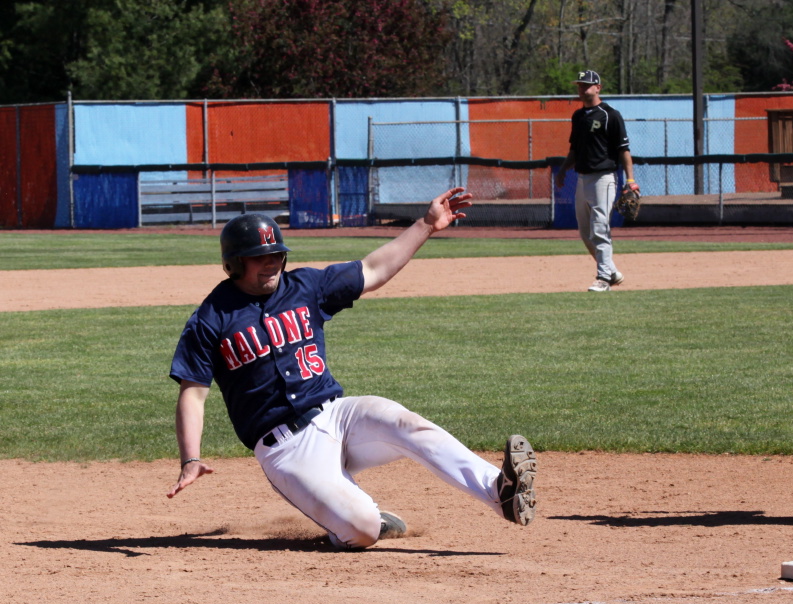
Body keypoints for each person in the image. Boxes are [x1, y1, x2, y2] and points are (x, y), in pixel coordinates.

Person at [167, 188, 538, 549]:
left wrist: (425, 224)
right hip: (286, 449)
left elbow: (373, 269)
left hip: (339, 416)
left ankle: (498, 490)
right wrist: (191, 459)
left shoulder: (305, 286)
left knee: (405, 423)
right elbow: (193, 394)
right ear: (234, 262)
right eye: (259, 256)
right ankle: (360, 516)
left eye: (277, 253)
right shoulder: (210, 319)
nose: (272, 261)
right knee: (361, 531)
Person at [555, 69, 639, 292]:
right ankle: (611, 271)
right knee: (585, 233)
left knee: (600, 228)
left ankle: (603, 278)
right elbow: (574, 148)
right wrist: (563, 170)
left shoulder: (610, 115)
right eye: (580, 85)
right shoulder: (578, 116)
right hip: (582, 178)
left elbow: (624, 150)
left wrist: (630, 180)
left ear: (598, 88)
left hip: (604, 178)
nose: (582, 88)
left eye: (586, 85)